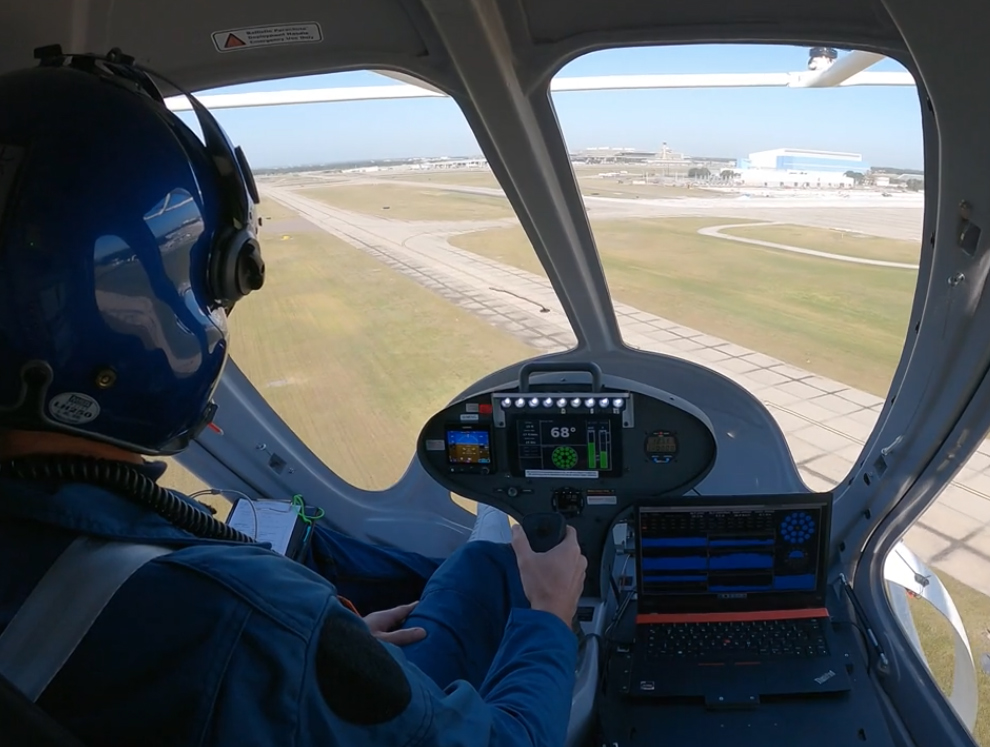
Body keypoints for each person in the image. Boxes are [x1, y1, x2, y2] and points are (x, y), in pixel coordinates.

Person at [0, 49, 588, 746]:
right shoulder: (236, 619)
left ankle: (497, 539)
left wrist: (323, 661)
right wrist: (549, 612)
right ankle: (510, 545)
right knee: (503, 576)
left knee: (480, 566)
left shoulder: (242, 623)